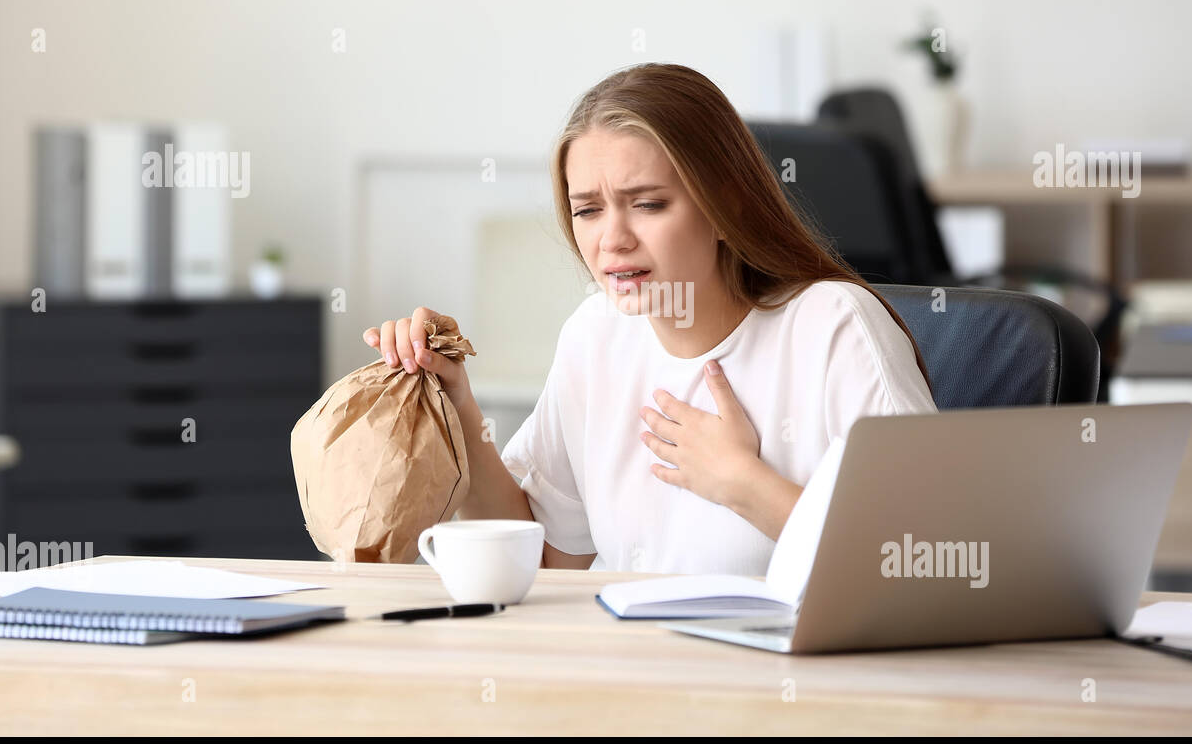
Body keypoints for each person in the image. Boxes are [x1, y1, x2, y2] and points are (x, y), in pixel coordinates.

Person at [364, 63, 937, 574]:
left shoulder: (835, 328)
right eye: (587, 210)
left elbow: (921, 563)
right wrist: (456, 403)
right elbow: (545, 559)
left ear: (726, 204)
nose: (612, 240)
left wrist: (740, 482)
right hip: (630, 675)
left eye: (648, 204)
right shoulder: (596, 334)